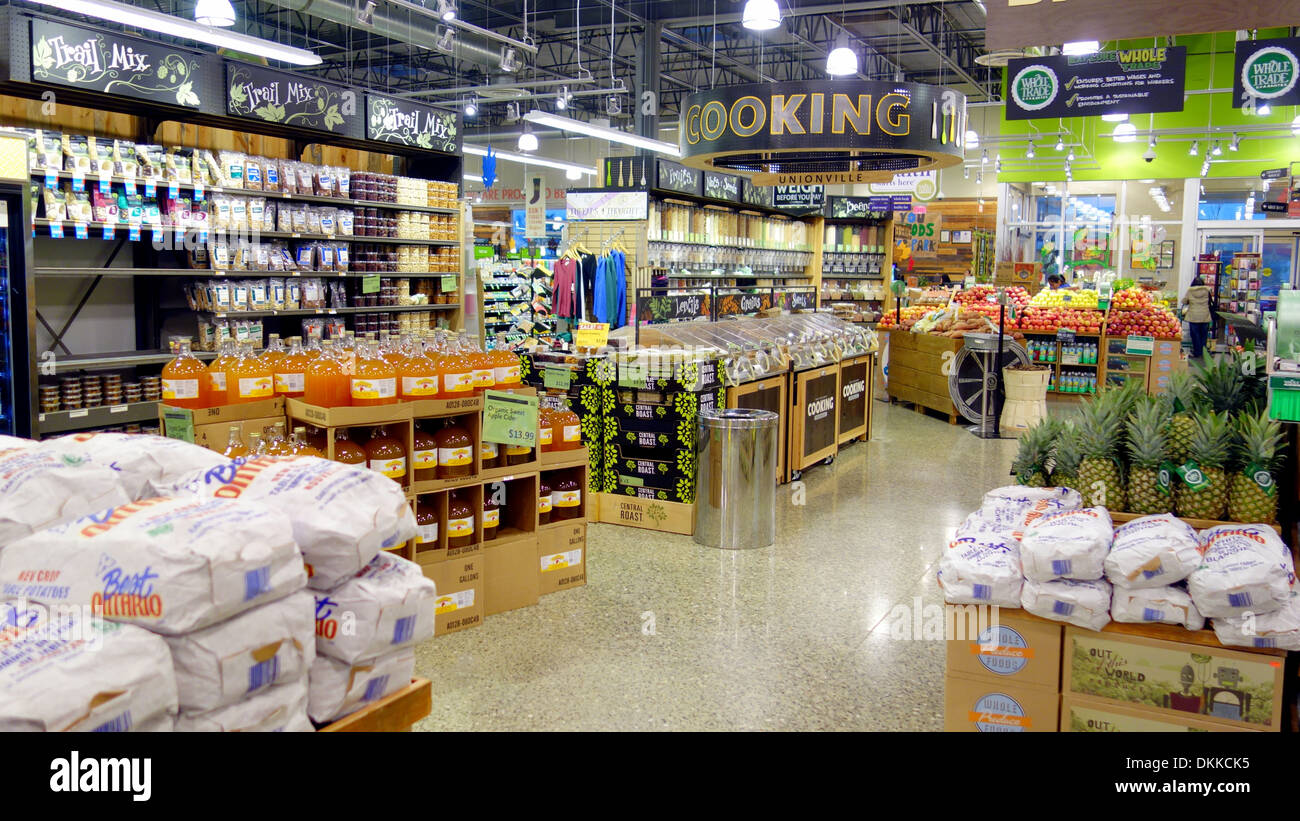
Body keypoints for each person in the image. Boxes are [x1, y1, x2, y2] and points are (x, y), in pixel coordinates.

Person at [1180, 275, 1213, 359]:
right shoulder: (1207, 290)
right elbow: (1210, 301)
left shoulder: (1190, 291)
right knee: (1204, 335)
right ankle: (1203, 352)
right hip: (1204, 315)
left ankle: (1197, 352)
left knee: (1195, 335)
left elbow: (1184, 301)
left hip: (1193, 316)